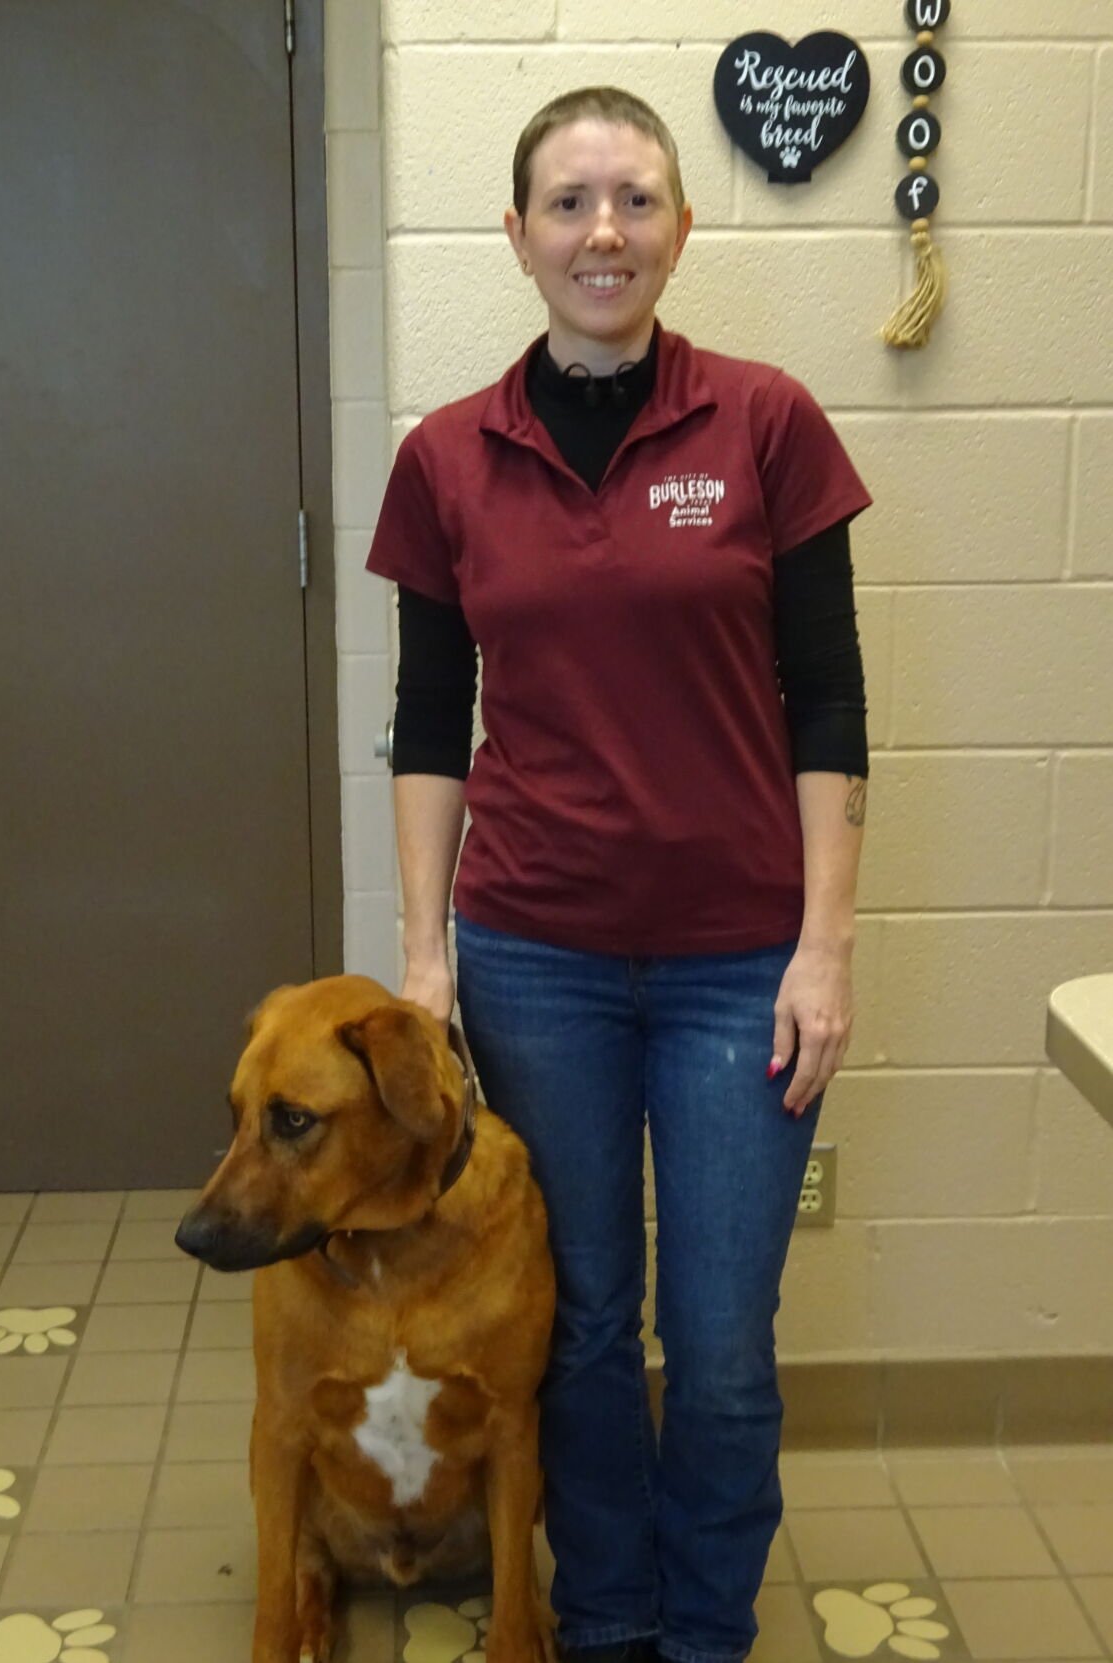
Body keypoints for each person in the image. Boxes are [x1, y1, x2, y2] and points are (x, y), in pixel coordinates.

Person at [366, 85, 871, 1663]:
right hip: (537, 963)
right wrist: (428, 956)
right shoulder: (448, 458)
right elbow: (429, 719)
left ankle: (706, 1631)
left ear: (681, 228)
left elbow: (833, 695)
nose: (605, 232)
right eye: (571, 203)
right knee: (580, 1333)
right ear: (514, 234)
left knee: (718, 1346)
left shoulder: (765, 422)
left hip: (740, 965)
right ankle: (605, 1621)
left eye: (637, 200)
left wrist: (826, 947)